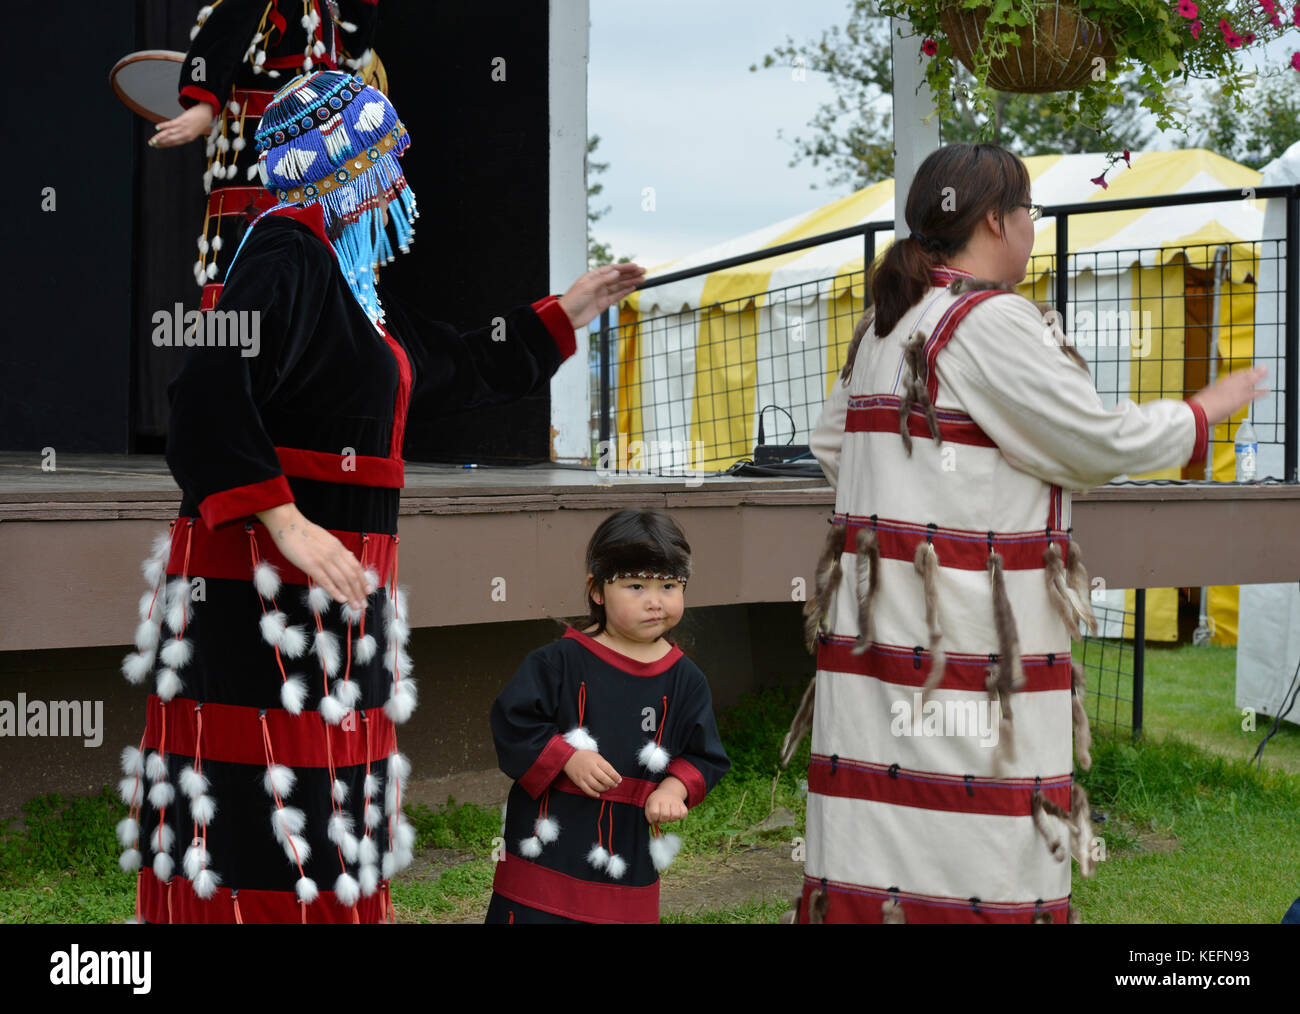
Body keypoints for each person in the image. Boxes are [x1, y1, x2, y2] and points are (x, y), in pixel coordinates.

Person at [115, 68, 645, 924]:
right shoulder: (285, 248)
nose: (398, 180)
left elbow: (454, 363)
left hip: (339, 586)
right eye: (383, 160)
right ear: (343, 165)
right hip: (261, 582)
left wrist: (568, 311)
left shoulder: (352, 287)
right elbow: (206, 396)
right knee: (265, 797)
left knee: (330, 791)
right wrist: (288, 524)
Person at [794, 142, 1268, 924]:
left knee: (880, 836)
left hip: (880, 637)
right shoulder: (990, 321)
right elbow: (1092, 440)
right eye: (1029, 214)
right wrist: (1203, 410)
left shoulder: (887, 321)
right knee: (985, 845)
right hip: (974, 635)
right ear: (994, 220)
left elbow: (832, 448)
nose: (1034, 228)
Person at [486, 509, 731, 923]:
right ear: (597, 590)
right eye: (636, 585)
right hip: (547, 846)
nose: (655, 601)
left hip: (626, 850)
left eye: (669, 585)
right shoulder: (558, 662)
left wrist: (673, 790)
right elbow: (513, 721)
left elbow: (704, 756)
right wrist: (568, 756)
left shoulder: (686, 681)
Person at [150, 1, 383, 308]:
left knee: (311, 280)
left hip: (318, 165)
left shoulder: (327, 8)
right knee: (258, 276)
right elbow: (218, 39)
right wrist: (203, 105)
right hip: (263, 161)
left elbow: (357, 48)